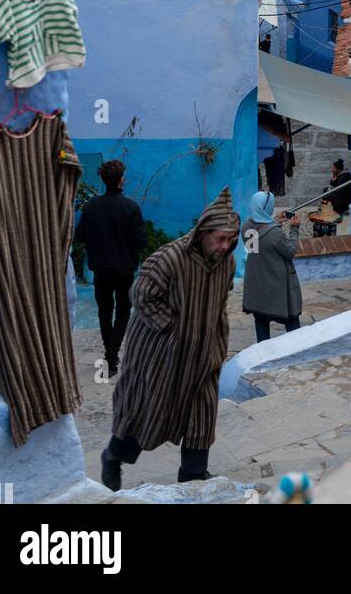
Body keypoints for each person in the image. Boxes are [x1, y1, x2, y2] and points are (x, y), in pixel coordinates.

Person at [100, 186, 240, 491]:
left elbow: (221, 297)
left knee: (203, 409)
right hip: (162, 354)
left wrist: (214, 337)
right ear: (203, 232)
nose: (225, 246)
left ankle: (193, 472)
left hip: (204, 352)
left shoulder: (227, 263)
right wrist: (174, 326)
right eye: (220, 239)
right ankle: (113, 456)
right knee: (148, 410)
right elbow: (140, 295)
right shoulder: (170, 257)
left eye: (231, 240)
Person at [74, 159, 146, 376]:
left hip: (100, 270)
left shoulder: (91, 207)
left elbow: (80, 236)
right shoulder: (131, 208)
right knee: (123, 312)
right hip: (124, 270)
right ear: (121, 180)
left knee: (104, 312)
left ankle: (110, 356)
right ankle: (111, 355)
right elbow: (140, 242)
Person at [241, 191, 303, 344]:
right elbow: (290, 251)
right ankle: (297, 352)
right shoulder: (275, 233)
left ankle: (263, 354)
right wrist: (294, 229)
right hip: (277, 289)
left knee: (261, 322)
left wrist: (275, 221)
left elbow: (259, 241)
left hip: (257, 289)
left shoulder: (246, 227)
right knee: (291, 322)